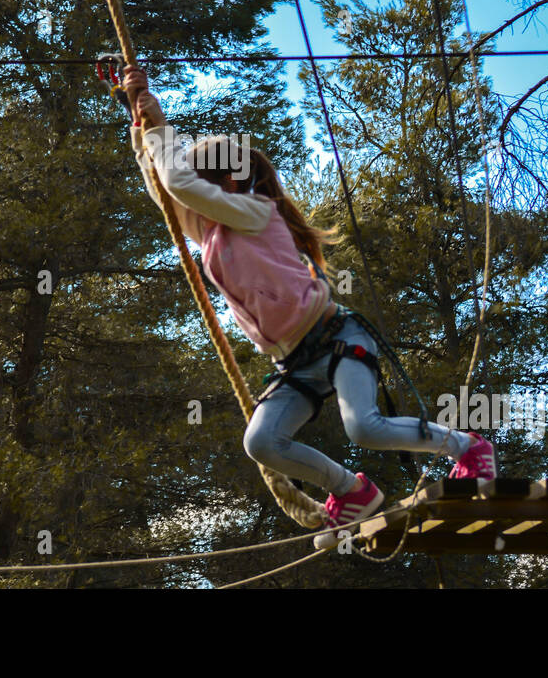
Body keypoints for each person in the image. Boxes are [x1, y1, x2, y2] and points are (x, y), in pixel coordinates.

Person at [121, 65, 495, 549]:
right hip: (294, 361)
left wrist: (163, 133)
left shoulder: (257, 212)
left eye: (201, 180)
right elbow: (166, 191)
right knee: (261, 443)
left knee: (365, 426)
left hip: (336, 339)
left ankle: (467, 447)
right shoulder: (210, 231)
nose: (191, 190)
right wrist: (144, 127)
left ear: (227, 185)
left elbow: (179, 186)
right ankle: (353, 492)